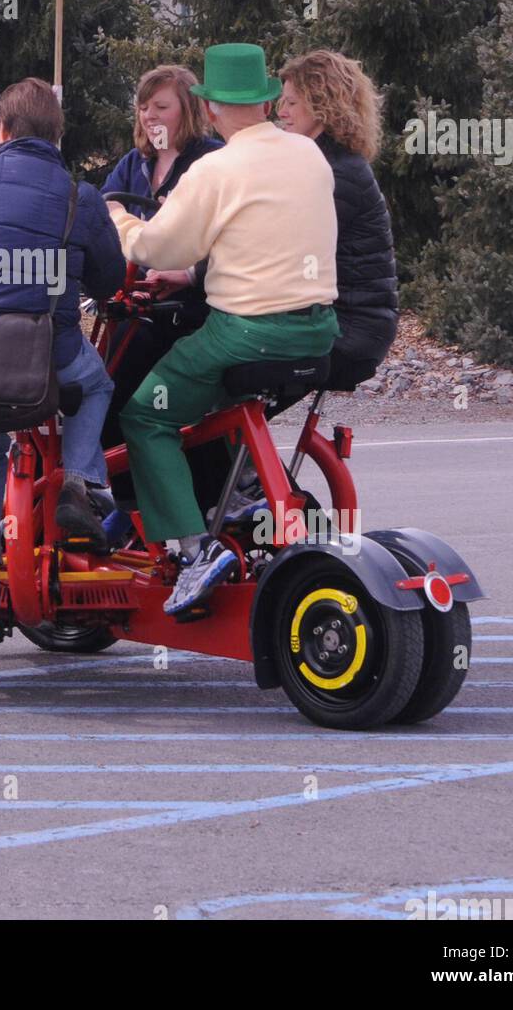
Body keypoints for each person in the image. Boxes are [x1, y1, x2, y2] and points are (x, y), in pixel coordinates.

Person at [107, 43, 340, 617]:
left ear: (209, 110)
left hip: (246, 333)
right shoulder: (310, 156)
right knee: (210, 407)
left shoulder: (217, 167)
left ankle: (194, 550)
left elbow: (159, 246)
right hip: (318, 332)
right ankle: (239, 502)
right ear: (264, 101)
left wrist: (115, 217)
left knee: (144, 413)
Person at [0, 77, 125, 636]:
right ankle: (80, 484)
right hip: (47, 357)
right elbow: (109, 281)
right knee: (97, 385)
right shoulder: (77, 195)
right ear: (57, 136)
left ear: (0, 130)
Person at [99, 65, 224, 520]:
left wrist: (184, 266)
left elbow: (227, 239)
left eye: (162, 106)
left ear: (188, 110)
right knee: (106, 389)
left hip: (190, 310)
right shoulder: (134, 164)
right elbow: (102, 215)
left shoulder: (210, 159)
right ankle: (129, 505)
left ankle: (203, 506)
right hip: (136, 306)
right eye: (144, 105)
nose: (150, 115)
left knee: (161, 403)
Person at [275, 50, 398, 385]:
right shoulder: (318, 161)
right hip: (335, 318)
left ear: (323, 105)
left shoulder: (338, 173)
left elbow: (281, 246)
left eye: (292, 103)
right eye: (281, 102)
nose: (281, 112)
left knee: (229, 362)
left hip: (350, 328)